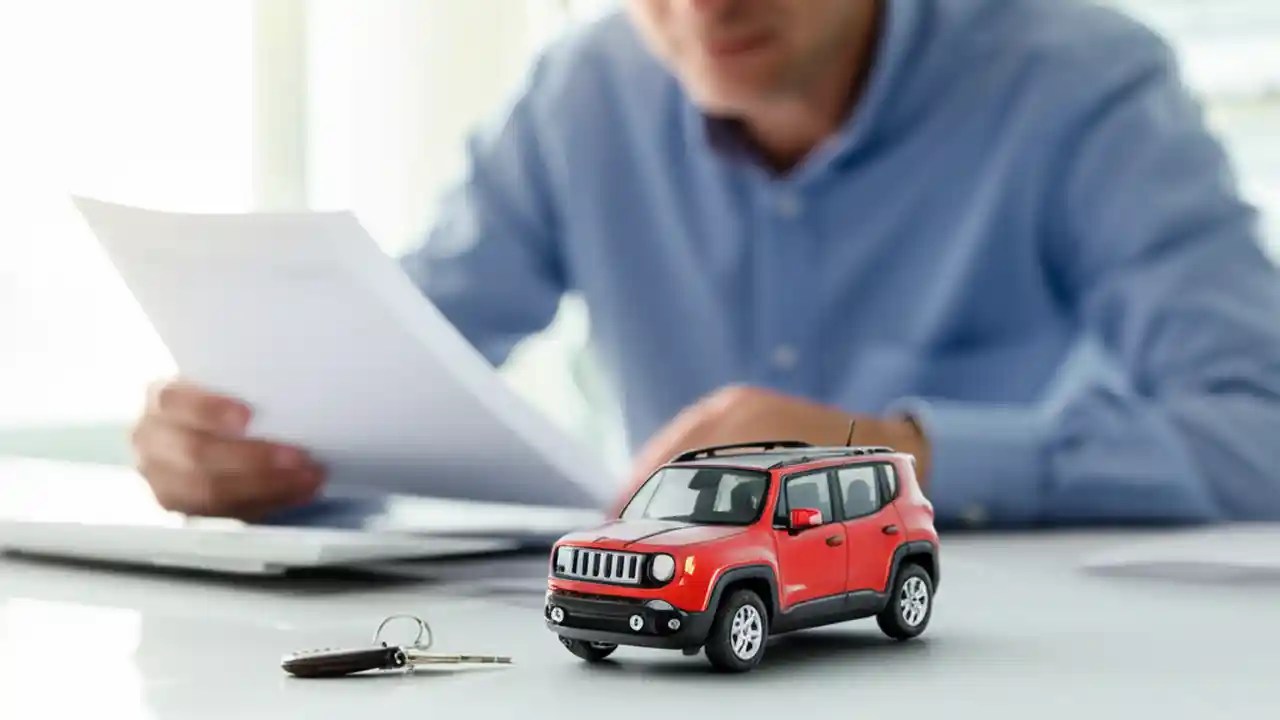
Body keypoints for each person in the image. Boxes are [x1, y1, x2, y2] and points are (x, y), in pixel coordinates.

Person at [130, 0, 1280, 527]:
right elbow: (402, 366)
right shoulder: (580, 93)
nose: (703, 6)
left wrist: (898, 454)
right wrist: (257, 449)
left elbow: (1257, 432)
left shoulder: (1080, 84)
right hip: (661, 648)